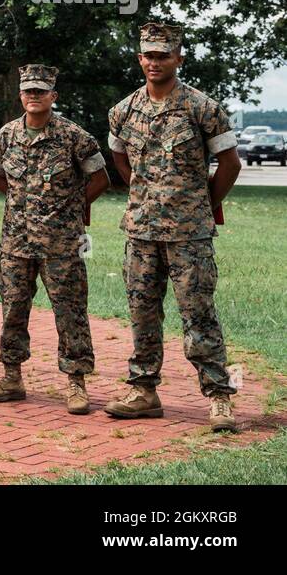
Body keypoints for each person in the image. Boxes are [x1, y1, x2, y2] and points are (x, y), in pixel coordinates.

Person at [105, 22, 241, 432]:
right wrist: (147, 195)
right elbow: (121, 161)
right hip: (142, 232)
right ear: (139, 58)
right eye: (148, 54)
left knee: (198, 314)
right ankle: (144, 391)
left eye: (163, 55)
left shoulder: (203, 107)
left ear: (179, 58)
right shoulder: (123, 110)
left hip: (189, 235)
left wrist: (201, 204)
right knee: (143, 314)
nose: (154, 62)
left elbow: (229, 164)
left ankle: (219, 398)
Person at [0, 64, 109, 413]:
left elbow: (100, 180)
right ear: (21, 95)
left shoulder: (74, 136)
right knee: (13, 309)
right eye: (28, 91)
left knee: (70, 313)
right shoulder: (6, 136)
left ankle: (76, 382)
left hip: (62, 244)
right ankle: (11, 377)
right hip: (15, 243)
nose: (34, 96)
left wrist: (73, 207)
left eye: (41, 91)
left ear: (53, 96)